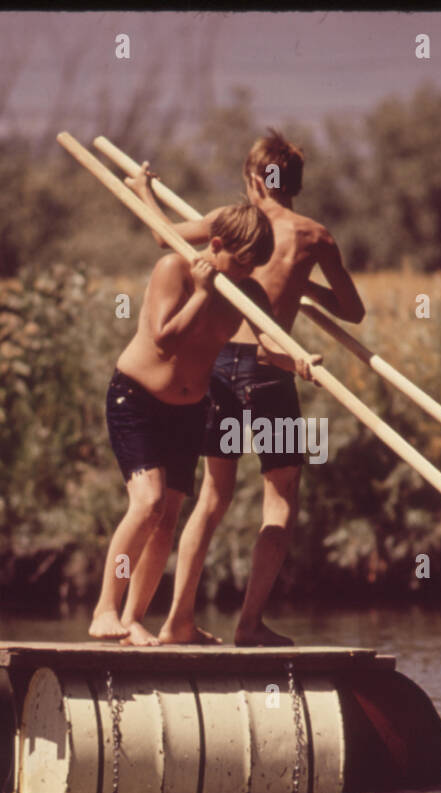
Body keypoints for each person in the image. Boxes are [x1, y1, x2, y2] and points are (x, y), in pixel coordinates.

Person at [127, 129, 366, 645]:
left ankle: (177, 621)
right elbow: (354, 311)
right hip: (272, 368)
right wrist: (303, 287)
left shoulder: (227, 223)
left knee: (212, 499)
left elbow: (160, 233)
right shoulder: (315, 236)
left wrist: (143, 187)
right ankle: (250, 623)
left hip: (219, 367)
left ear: (256, 178)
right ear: (291, 182)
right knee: (279, 499)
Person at [88, 201, 275, 646]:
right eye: (241, 262)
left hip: (190, 410)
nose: (246, 273)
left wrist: (300, 362)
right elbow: (165, 338)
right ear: (215, 246)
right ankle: (105, 609)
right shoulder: (174, 268)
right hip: (136, 399)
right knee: (147, 502)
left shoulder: (245, 290)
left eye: (254, 266)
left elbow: (273, 341)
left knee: (167, 519)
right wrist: (205, 293)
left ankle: (134, 619)